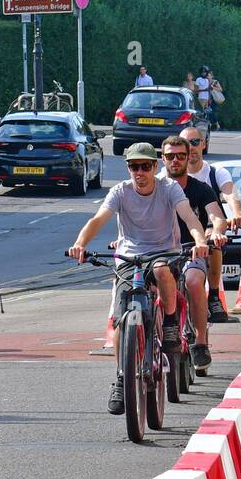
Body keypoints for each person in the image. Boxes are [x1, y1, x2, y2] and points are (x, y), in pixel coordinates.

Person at [67, 142, 209, 415]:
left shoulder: (169, 188)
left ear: (155, 167)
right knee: (121, 321)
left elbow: (190, 218)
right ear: (128, 168)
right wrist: (80, 244)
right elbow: (98, 220)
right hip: (128, 258)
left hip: (163, 253)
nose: (140, 172)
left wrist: (200, 240)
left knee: (160, 270)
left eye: (145, 166)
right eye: (134, 167)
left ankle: (169, 324)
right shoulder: (120, 192)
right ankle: (122, 378)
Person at [158, 136, 228, 370]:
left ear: (189, 158)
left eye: (180, 155)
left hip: (192, 252)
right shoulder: (154, 187)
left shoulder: (201, 189)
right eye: (170, 156)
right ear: (162, 158)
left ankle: (200, 343)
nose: (175, 160)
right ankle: (149, 338)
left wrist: (216, 232)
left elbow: (216, 216)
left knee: (195, 281)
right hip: (160, 253)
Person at [179, 125, 241, 323]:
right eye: (185, 144)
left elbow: (229, 192)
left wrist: (237, 213)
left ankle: (214, 296)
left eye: (195, 142)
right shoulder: (168, 178)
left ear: (204, 144)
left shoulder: (215, 173)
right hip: (175, 231)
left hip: (206, 227)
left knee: (213, 242)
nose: (190, 148)